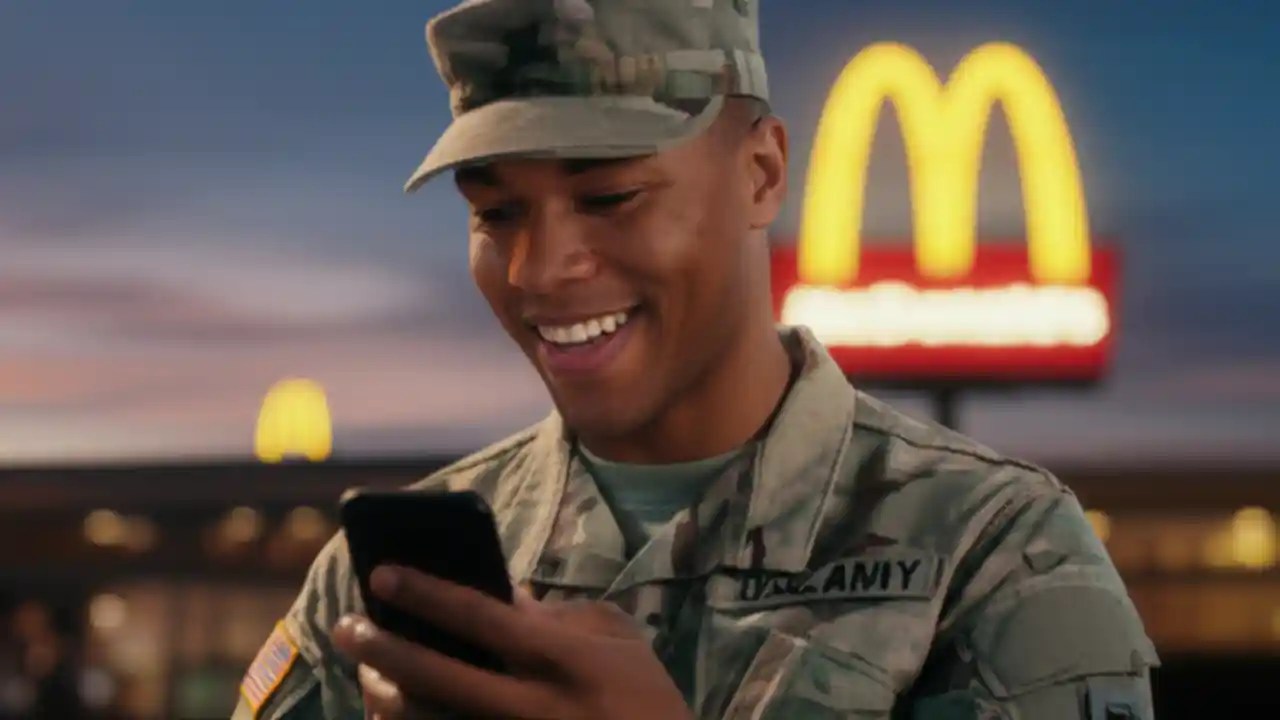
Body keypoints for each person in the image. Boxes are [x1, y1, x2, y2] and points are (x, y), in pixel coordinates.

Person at [233, 0, 1159, 718]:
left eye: (610, 197)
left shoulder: (998, 554)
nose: (539, 270)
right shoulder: (389, 585)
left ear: (761, 175)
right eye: (495, 214)